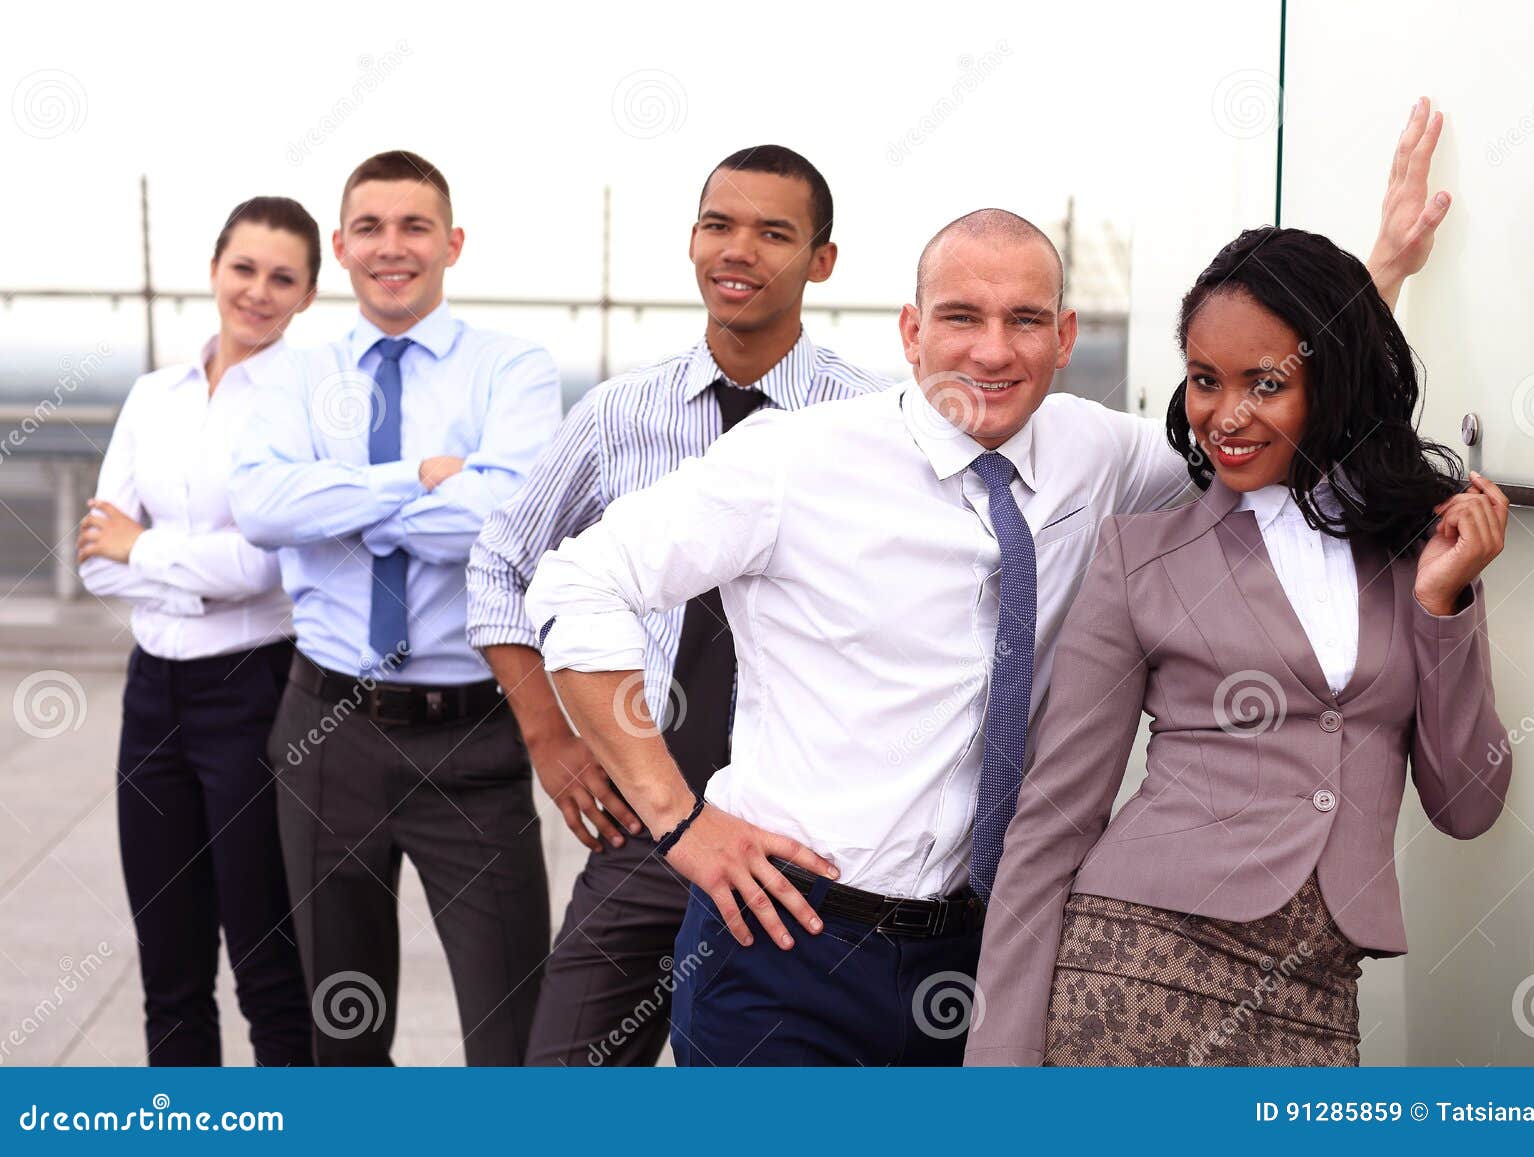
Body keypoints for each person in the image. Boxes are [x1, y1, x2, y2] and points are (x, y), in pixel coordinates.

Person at [523, 101, 1450, 1067]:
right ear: (912, 331)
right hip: (786, 944)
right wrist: (679, 820)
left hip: (976, 956)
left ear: (1065, 334)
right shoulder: (794, 459)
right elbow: (576, 585)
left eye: (1026, 320)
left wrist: (1376, 278)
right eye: (961, 317)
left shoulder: (1100, 453)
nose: (994, 351)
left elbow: (1264, 414)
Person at [965, 225, 1512, 1067]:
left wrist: (1444, 605)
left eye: (1266, 383)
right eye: (1204, 380)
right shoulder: (1141, 555)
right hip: (1137, 970)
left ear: (1333, 380)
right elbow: (1055, 817)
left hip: (1319, 995)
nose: (1226, 416)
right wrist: (996, 1070)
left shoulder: (1418, 551)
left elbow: (1467, 806)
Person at [467, 145, 888, 1066]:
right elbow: (500, 563)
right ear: (692, 240)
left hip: (804, 839)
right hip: (651, 820)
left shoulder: (871, 422)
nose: (738, 249)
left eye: (773, 232)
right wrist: (550, 738)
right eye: (718, 225)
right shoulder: (619, 414)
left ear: (821, 260)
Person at [229, 151, 562, 1065]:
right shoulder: (293, 375)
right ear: (340, 246)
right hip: (327, 735)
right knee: (344, 1043)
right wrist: (418, 476)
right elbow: (261, 508)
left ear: (453, 243)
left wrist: (335, 499)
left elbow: (508, 519)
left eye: (415, 226)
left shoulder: (513, 367)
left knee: (513, 1040)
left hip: (472, 739)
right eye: (370, 227)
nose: (392, 246)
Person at [78, 196, 319, 1066]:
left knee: (270, 970)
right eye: (243, 268)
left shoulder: (306, 402)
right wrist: (193, 578)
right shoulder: (154, 395)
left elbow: (267, 566)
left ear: (308, 294)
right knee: (169, 974)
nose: (258, 291)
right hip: (152, 696)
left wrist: (145, 550)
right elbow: (95, 560)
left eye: (282, 277)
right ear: (215, 269)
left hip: (256, 692)